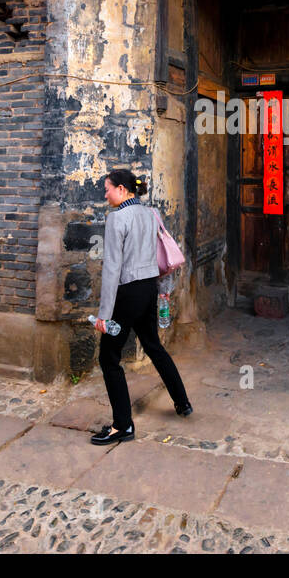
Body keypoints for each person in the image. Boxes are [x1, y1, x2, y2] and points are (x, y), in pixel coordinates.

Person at [90, 168, 192, 444]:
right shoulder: (150, 215)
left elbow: (112, 269)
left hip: (127, 293)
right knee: (153, 346)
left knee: (109, 357)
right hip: (149, 289)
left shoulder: (117, 219)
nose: (106, 193)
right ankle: (182, 402)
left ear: (122, 189)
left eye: (108, 188)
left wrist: (103, 315)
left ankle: (122, 426)